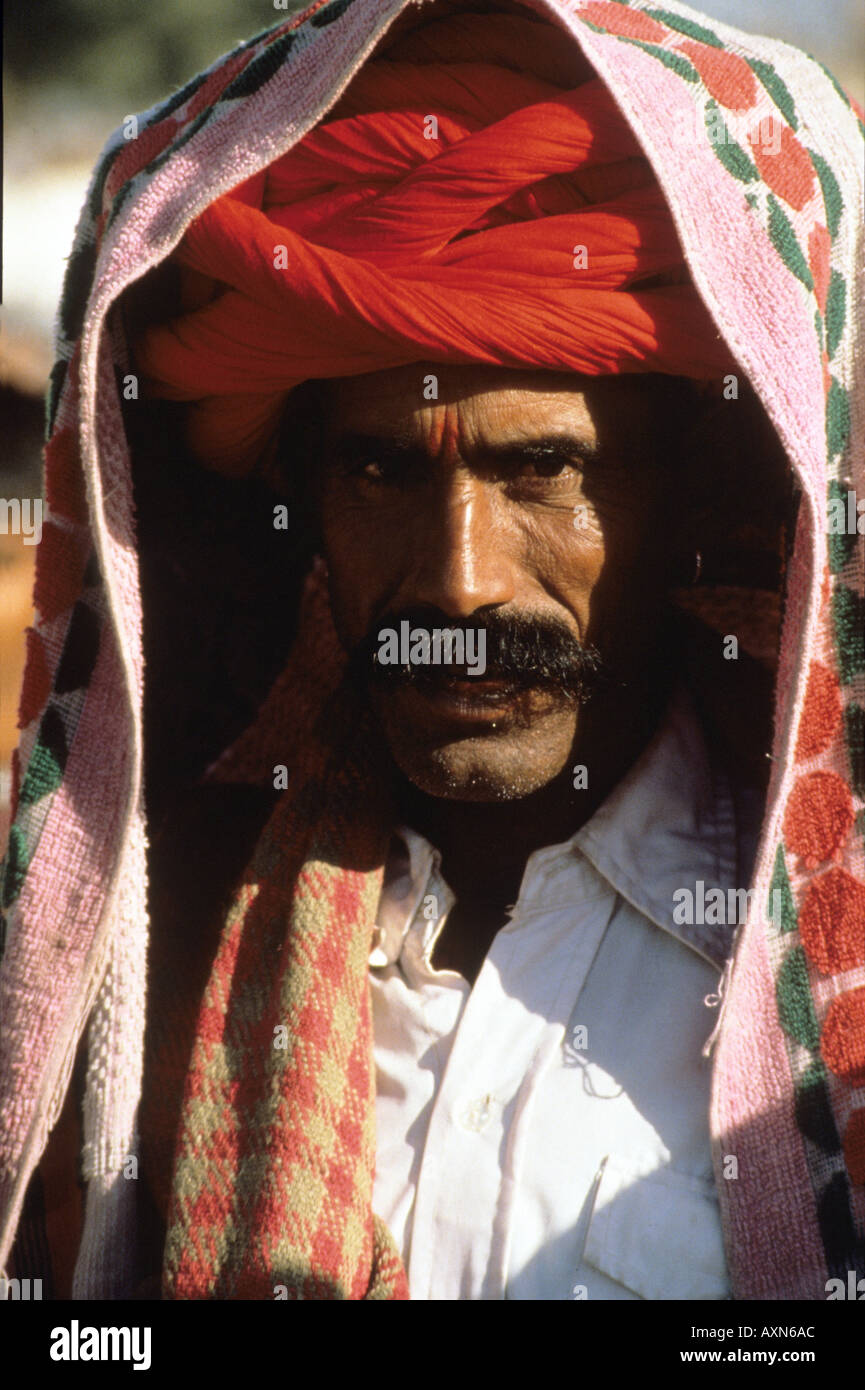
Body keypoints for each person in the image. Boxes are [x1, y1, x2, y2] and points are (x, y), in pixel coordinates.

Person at [0, 0, 862, 1301]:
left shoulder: (816, 1003)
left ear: (682, 496)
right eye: (380, 471)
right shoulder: (135, 958)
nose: (459, 581)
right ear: (299, 501)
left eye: (540, 470)